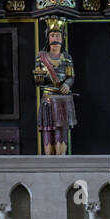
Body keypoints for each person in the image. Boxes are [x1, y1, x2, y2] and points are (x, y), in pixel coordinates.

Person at [34, 20, 77, 155]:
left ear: (62, 38)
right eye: (52, 35)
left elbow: (71, 77)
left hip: (62, 99)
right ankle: (49, 162)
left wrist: (66, 84)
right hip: (47, 97)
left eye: (58, 36)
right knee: (48, 129)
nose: (55, 39)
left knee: (61, 130)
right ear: (48, 38)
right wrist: (38, 78)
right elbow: (38, 81)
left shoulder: (66, 57)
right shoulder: (41, 57)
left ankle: (61, 161)